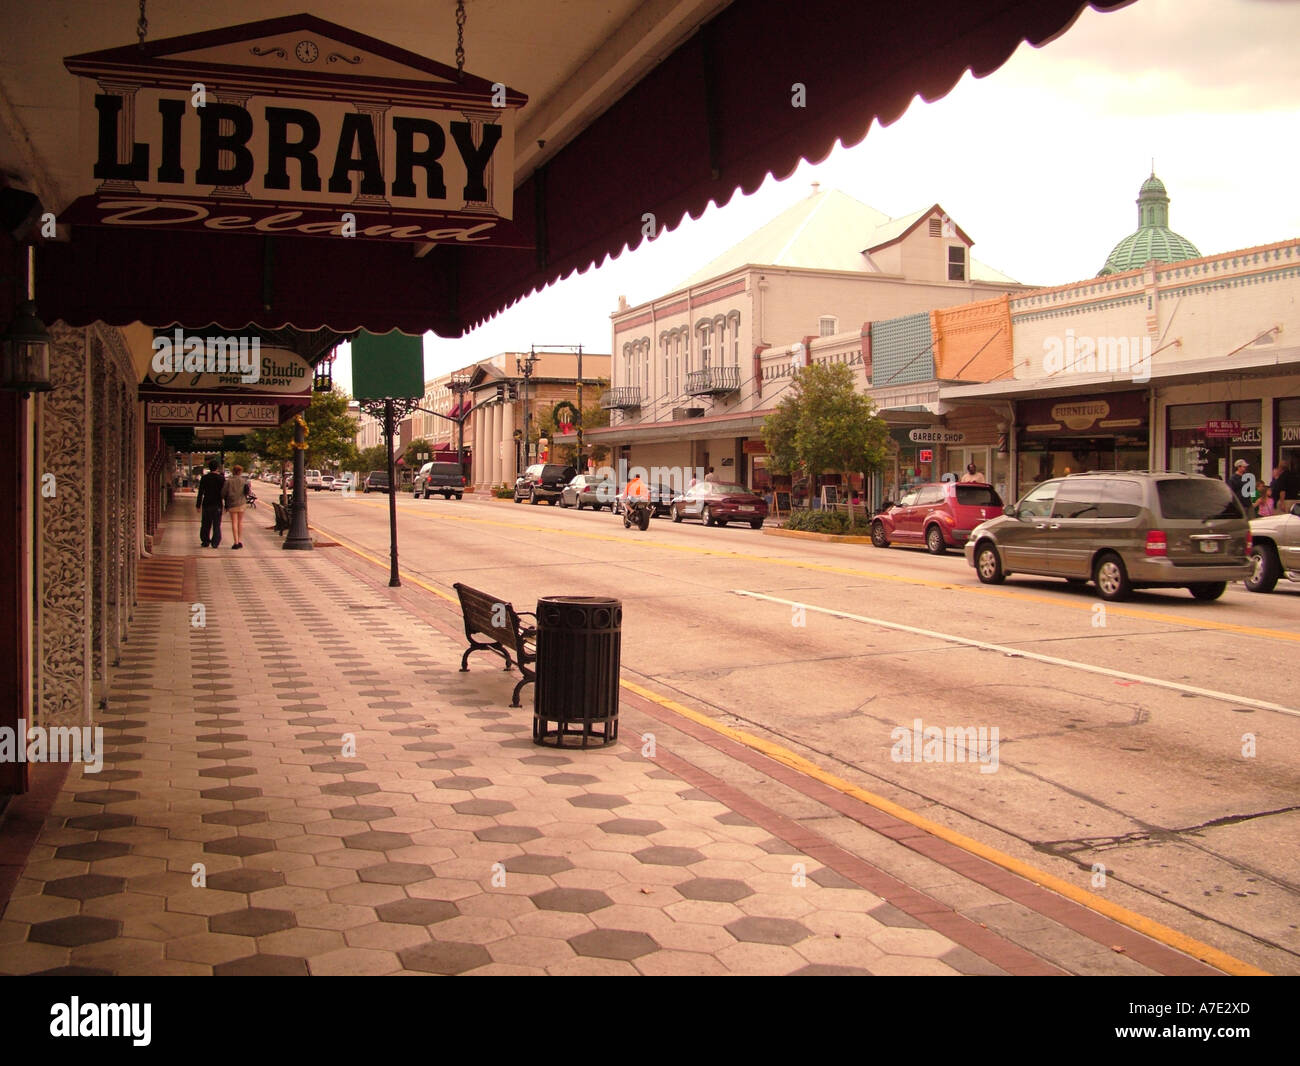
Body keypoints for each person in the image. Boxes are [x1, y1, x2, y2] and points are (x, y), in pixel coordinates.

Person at [196, 458, 225, 548]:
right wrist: (227, 505)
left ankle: (205, 540)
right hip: (217, 504)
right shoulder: (221, 478)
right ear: (217, 468)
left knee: (205, 523)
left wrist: (198, 505)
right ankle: (215, 542)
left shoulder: (204, 478)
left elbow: (200, 492)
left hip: (207, 503)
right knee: (216, 524)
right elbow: (225, 492)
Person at [223, 464, 250, 550]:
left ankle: (236, 541)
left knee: (234, 522)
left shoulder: (228, 481)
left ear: (233, 471)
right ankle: (240, 540)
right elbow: (247, 492)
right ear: (240, 472)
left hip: (232, 503)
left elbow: (223, 493)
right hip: (242, 503)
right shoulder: (244, 481)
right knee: (240, 522)